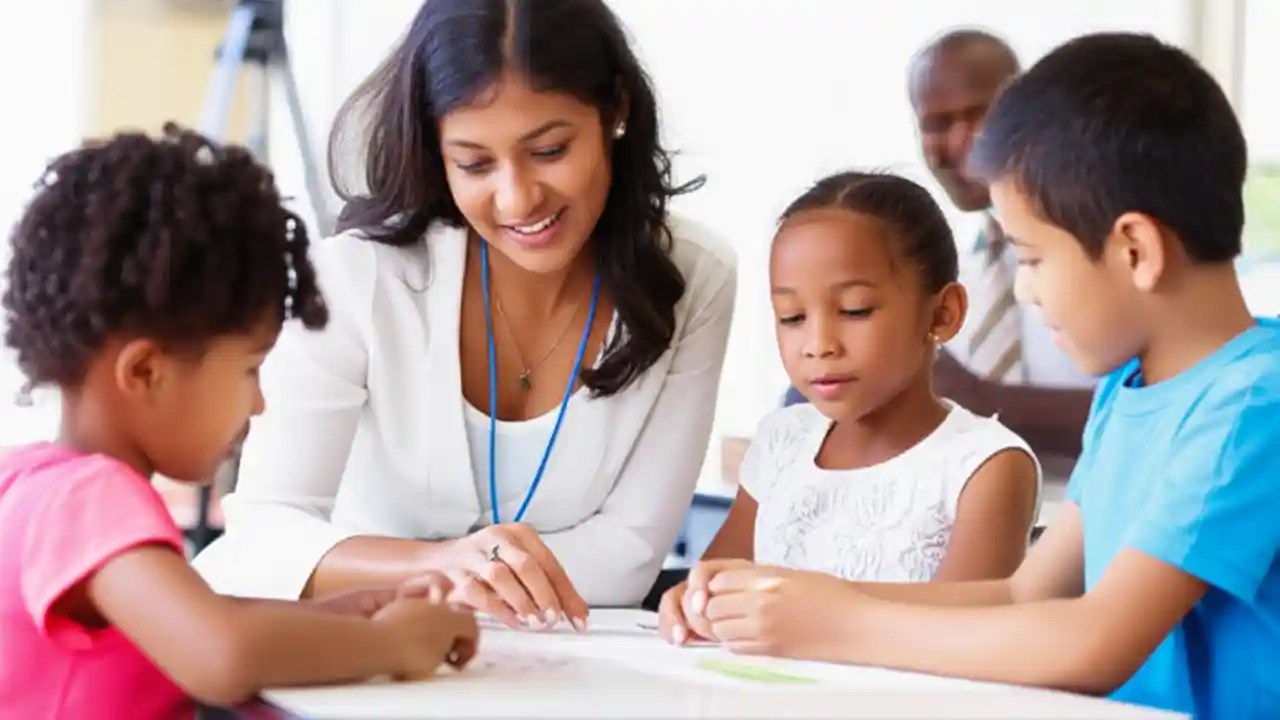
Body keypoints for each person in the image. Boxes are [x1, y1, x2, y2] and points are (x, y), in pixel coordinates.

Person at [675, 33, 1280, 718]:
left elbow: (1094, 642)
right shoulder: (1130, 387)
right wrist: (804, 599)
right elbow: (1028, 593)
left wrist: (838, 625)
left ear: (1135, 249)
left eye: (1032, 259)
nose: (1023, 291)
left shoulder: (1254, 406)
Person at [193, 0, 736, 626]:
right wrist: (442, 566)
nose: (517, 197)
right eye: (474, 163)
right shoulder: (357, 277)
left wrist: (464, 569)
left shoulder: (694, 277)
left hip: (568, 668)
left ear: (616, 109)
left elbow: (629, 556)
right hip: (361, 649)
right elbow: (264, 529)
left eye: (550, 150)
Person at [0, 125, 478, 718]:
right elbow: (221, 653)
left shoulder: (27, 482)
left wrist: (333, 618)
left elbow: (202, 621)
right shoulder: (92, 498)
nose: (258, 405)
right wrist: (392, 645)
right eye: (251, 370)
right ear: (147, 372)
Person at [659, 171, 1041, 644]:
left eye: (856, 310)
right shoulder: (782, 442)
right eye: (792, 318)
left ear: (942, 315)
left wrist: (805, 608)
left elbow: (965, 633)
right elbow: (718, 580)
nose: (818, 345)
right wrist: (693, 601)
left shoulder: (985, 465)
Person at [908, 29, 1094, 467]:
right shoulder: (947, 265)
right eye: (936, 124)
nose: (957, 143)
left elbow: (1159, 412)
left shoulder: (1098, 241)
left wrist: (975, 398)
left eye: (977, 116)